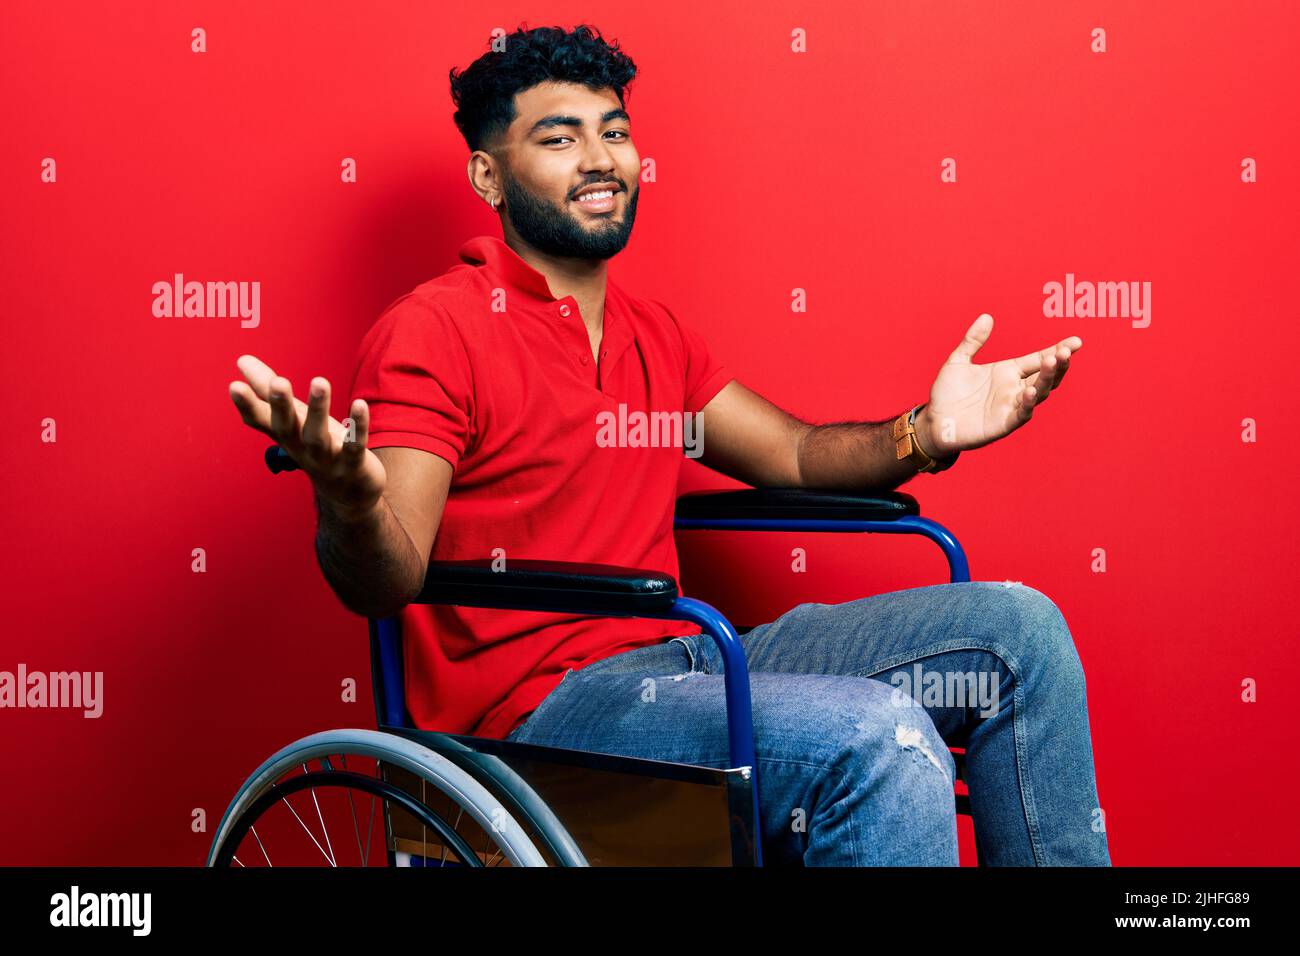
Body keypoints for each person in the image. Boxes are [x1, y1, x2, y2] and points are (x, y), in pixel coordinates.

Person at [227, 24, 1110, 866]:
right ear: (489, 177)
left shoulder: (657, 335)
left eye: (613, 132)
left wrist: (926, 430)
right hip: (539, 719)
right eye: (560, 138)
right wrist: (349, 498)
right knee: (878, 738)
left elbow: (798, 456)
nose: (601, 158)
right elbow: (389, 576)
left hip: (683, 658)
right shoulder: (436, 330)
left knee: (1018, 633)